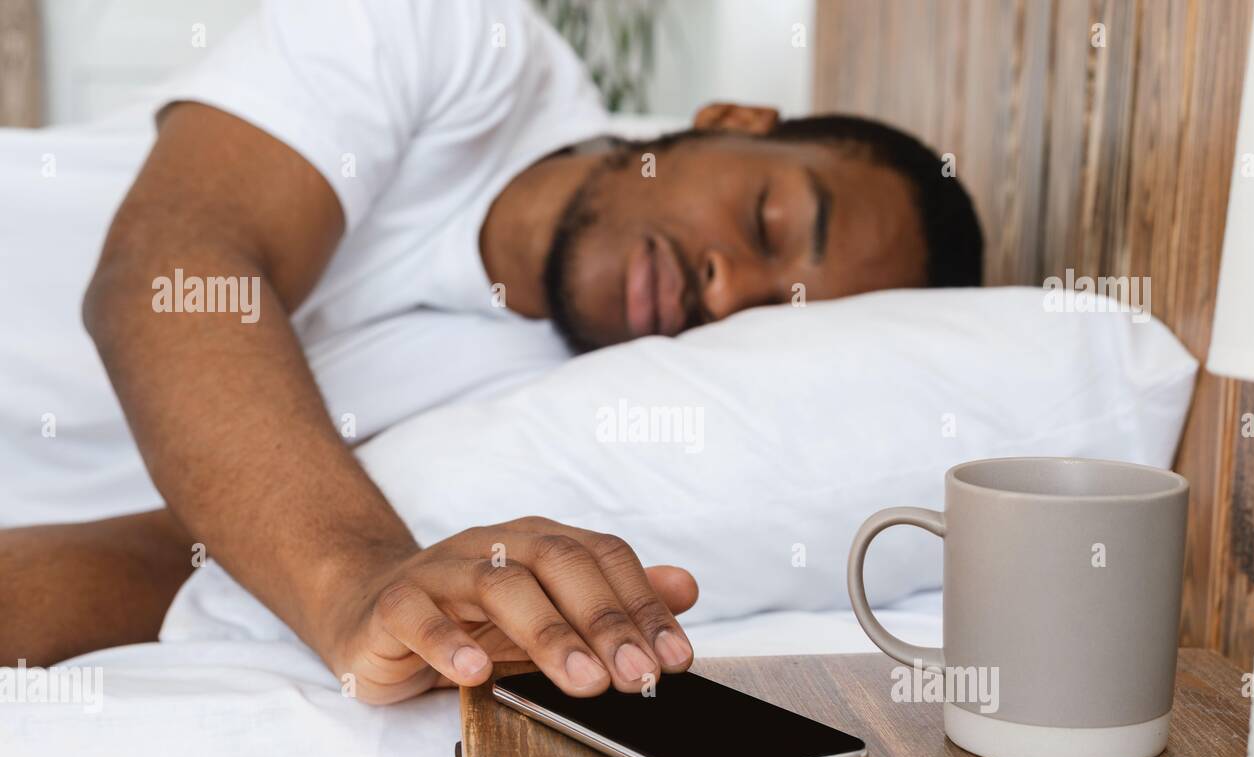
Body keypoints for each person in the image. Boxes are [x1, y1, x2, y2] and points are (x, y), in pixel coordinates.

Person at [0, 0, 982, 703]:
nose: (726, 287)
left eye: (768, 319)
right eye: (768, 223)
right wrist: (356, 581)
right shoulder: (461, 41)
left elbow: (196, 545)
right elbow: (168, 271)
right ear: (731, 120)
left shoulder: (565, 415)